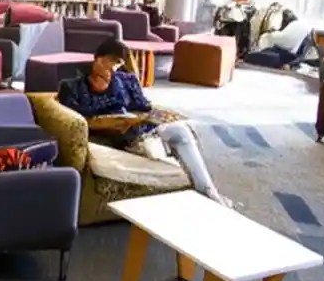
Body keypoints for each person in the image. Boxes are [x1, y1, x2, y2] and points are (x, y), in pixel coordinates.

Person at [58, 39, 230, 206]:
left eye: (119, 63)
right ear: (97, 59)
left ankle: (208, 191)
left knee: (181, 130)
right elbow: (75, 120)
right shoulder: (73, 87)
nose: (114, 68)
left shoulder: (126, 81)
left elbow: (145, 108)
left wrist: (139, 118)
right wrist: (107, 122)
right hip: (113, 139)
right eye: (111, 61)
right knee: (158, 148)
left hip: (142, 131)